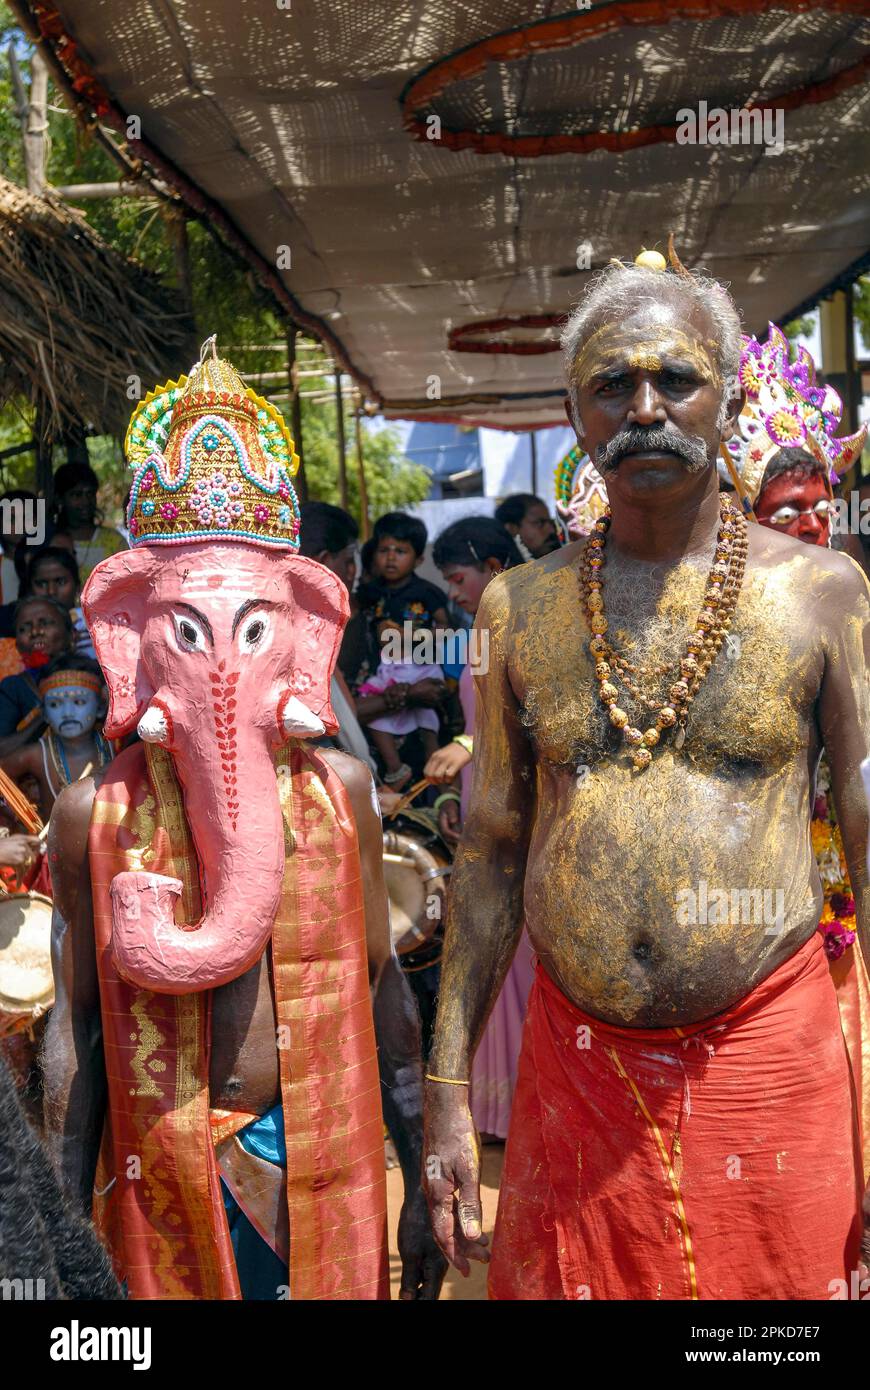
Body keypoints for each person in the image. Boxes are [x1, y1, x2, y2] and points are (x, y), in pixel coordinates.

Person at [424, 244, 870, 1299]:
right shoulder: (516, 608)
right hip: (577, 1071)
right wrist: (445, 1086)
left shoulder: (824, 593)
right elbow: (487, 849)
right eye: (612, 383)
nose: (647, 405)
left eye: (677, 378)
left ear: (726, 392)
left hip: (767, 1054)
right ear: (575, 411)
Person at [42, 345, 444, 1301]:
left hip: (320, 1162)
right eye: (184, 627)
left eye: (255, 625)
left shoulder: (340, 791)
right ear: (128, 636)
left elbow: (384, 997)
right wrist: (53, 1231)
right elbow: (76, 1027)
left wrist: (424, 1171)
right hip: (159, 1175)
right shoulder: (90, 816)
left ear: (307, 635)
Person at [724, 322, 870, 1166]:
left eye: (823, 506)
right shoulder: (716, 609)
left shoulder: (846, 590)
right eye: (790, 511)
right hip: (753, 879)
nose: (813, 521)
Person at [425, 516, 534, 1142]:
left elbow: (526, 721)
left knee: (516, 954)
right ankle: (498, 1112)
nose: (454, 591)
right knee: (489, 950)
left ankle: (525, 1107)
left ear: (494, 570)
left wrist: (467, 742)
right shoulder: (481, 632)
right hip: (482, 802)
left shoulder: (529, 626)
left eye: (460, 577)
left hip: (521, 811)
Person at [1, 654, 112, 821]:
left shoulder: (116, 746)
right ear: (44, 713)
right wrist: (22, 818)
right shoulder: (39, 755)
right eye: (54, 704)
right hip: (55, 846)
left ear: (100, 708)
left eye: (79, 702)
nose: (67, 713)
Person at [358, 615, 445, 788]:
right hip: (394, 703)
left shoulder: (421, 658)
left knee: (429, 733)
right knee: (378, 724)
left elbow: (433, 684)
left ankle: (438, 776)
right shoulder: (387, 660)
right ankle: (396, 769)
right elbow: (383, 677)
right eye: (382, 638)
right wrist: (383, 689)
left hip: (420, 705)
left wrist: (406, 690)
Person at [0, 597, 74, 759]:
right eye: (24, 629)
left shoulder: (93, 676)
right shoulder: (13, 688)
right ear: (18, 645)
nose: (35, 632)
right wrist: (46, 714)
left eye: (46, 623)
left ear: (71, 635)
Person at [50, 461, 126, 584]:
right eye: (76, 495)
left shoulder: (114, 541)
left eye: (90, 494)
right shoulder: (52, 541)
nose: (85, 501)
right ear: (60, 499)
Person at [23, 546, 96, 659]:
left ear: (78, 587)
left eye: (61, 582)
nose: (51, 591)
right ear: (29, 589)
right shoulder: (21, 626)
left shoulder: (96, 625)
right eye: (41, 584)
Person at [494, 492, 561, 560]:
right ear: (512, 529)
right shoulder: (501, 567)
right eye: (539, 523)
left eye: (550, 522)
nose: (551, 530)